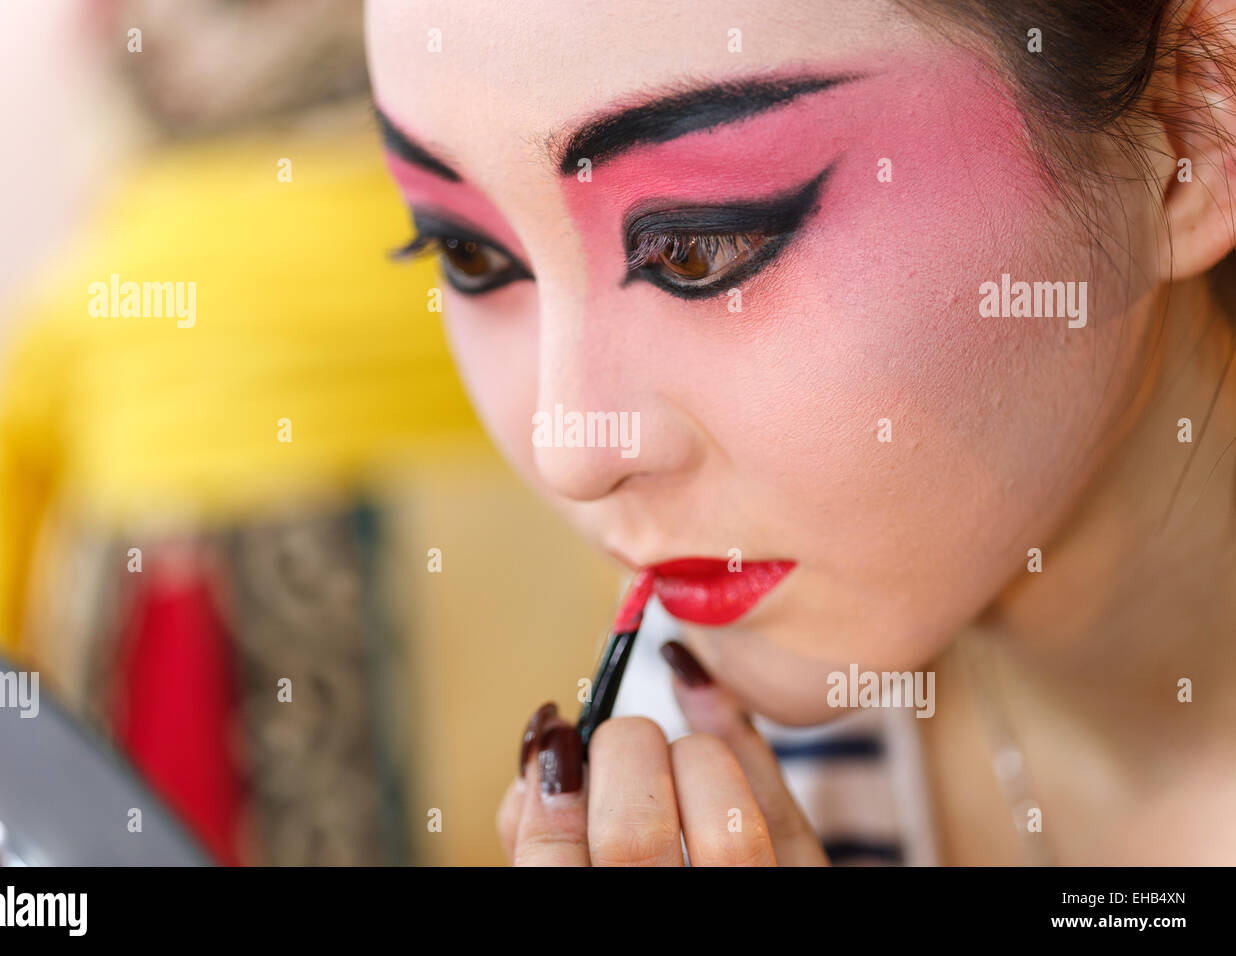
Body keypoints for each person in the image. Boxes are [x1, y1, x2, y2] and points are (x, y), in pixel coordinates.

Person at [367, 0, 1236, 865]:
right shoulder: (702, 765)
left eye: (696, 247)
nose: (573, 455)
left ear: (1196, 119)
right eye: (467, 253)